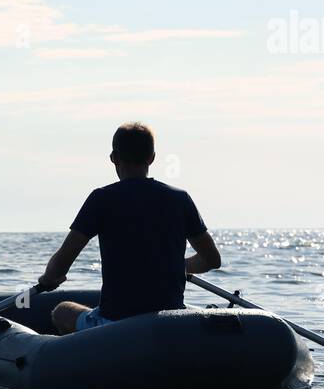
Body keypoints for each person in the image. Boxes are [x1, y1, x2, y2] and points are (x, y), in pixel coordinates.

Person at [37, 122, 222, 334]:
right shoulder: (180, 199)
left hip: (117, 327)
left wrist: (49, 279)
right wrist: (175, 266)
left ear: (113, 158)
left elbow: (61, 265)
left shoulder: (101, 199)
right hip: (171, 324)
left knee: (62, 311)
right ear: (152, 157)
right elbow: (211, 260)